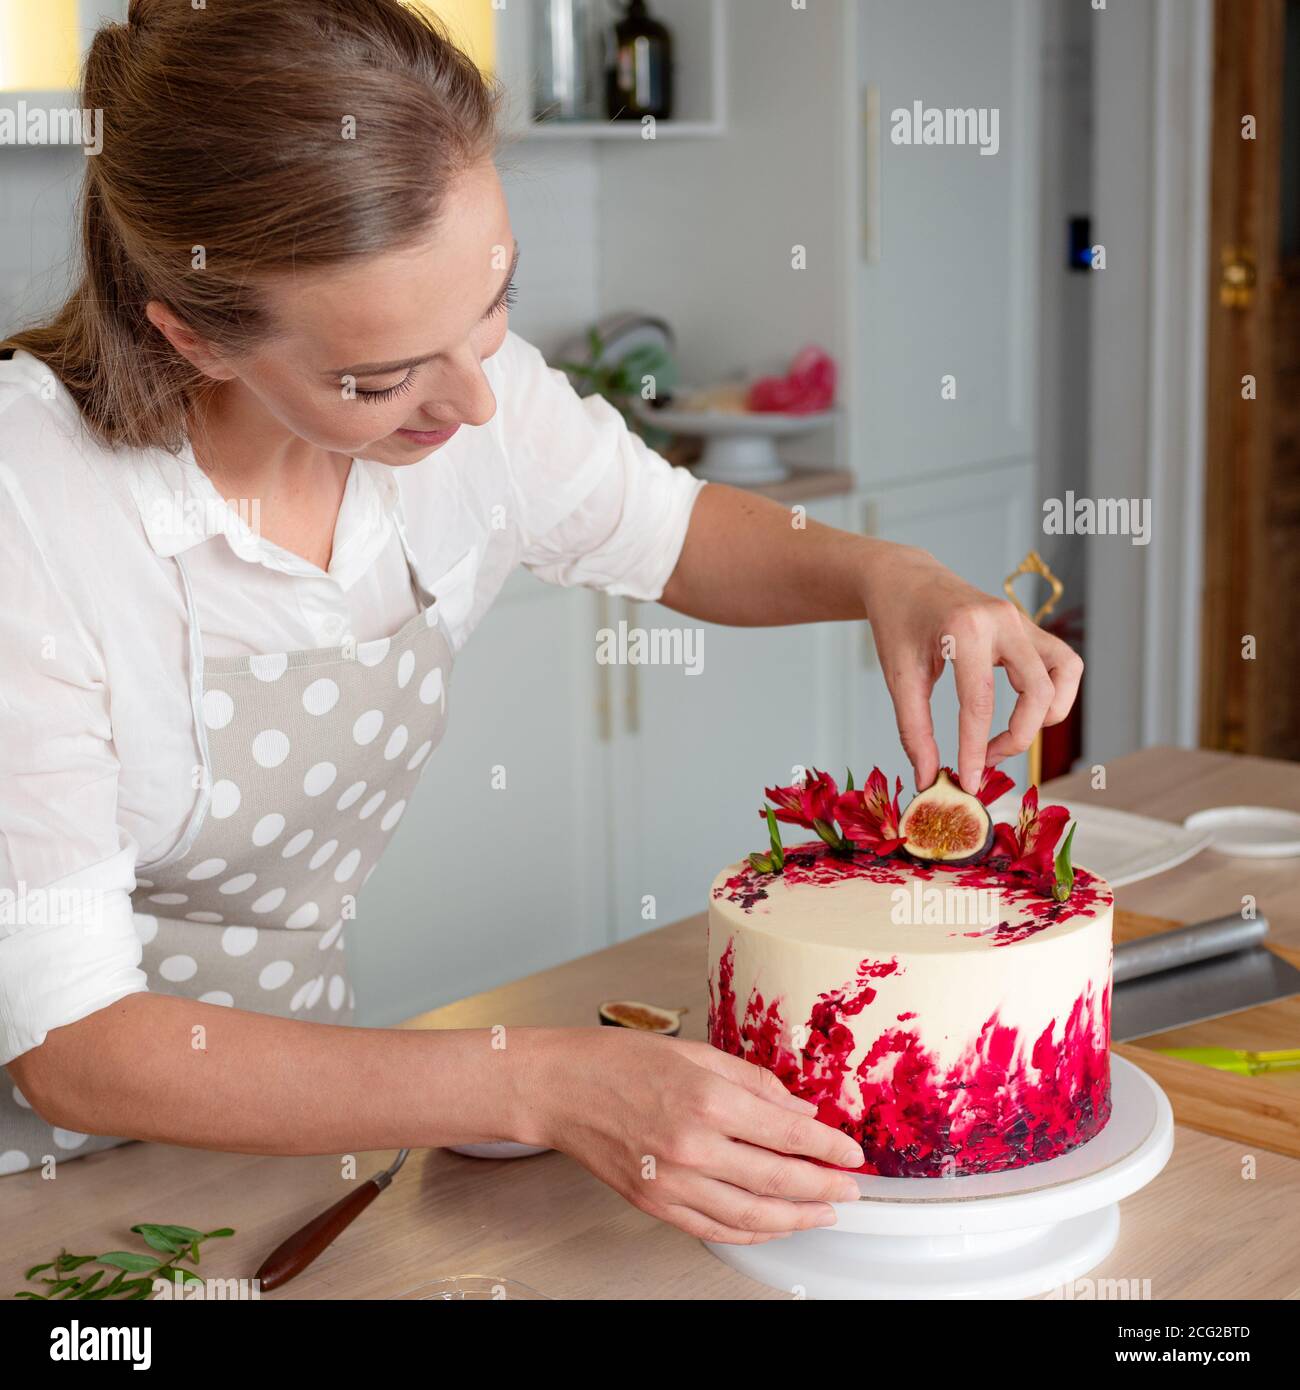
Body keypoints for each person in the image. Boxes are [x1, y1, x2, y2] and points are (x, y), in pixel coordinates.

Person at [0, 0, 1081, 1245]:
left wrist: (888, 574)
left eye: (494, 302)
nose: (471, 399)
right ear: (189, 330)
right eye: (377, 375)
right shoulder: (37, 501)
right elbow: (73, 1044)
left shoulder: (464, 392)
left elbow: (678, 536)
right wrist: (538, 1078)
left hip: (279, 1139)